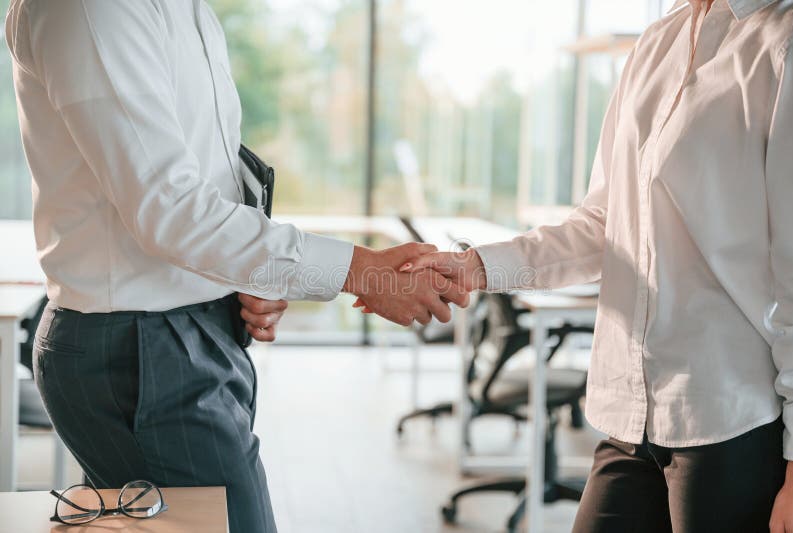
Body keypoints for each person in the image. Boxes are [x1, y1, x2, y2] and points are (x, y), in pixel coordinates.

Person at [4, 1, 468, 532]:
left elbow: (206, 179)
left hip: (178, 336)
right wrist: (362, 270)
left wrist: (250, 273)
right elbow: (171, 210)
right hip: (140, 349)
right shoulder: (98, 7)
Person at [397, 0, 793, 531]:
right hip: (629, 415)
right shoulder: (656, 43)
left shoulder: (783, 43)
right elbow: (603, 223)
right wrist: (479, 267)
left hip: (729, 419)